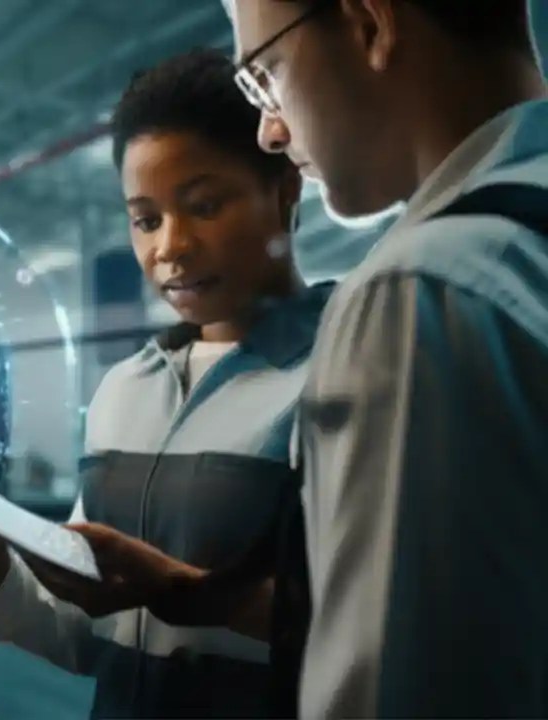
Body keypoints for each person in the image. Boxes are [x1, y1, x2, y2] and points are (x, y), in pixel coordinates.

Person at [50, 1, 548, 717]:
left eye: (267, 72)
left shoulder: (420, 291)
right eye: (146, 218)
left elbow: (388, 690)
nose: (272, 130)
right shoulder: (516, 242)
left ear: (369, 23)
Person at [0, 48, 332, 718]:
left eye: (204, 205)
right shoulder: (123, 392)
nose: (170, 246)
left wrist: (184, 592)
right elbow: (83, 639)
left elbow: (394, 631)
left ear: (284, 189)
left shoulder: (342, 371)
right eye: (146, 219)